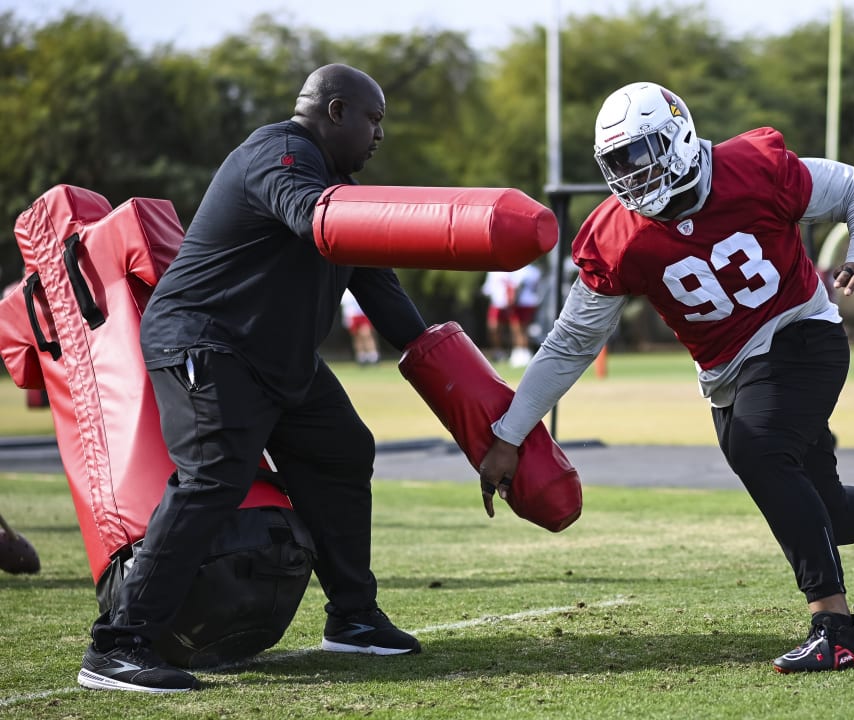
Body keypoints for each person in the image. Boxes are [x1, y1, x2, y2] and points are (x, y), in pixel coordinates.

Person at [478, 82, 854, 673]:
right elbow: (571, 343)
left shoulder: (753, 168)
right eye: (619, 163)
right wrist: (509, 434)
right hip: (729, 373)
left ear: (679, 136)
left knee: (757, 450)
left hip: (801, 333)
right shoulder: (617, 234)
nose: (632, 175)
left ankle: (838, 629)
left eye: (641, 154)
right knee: (827, 513)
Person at [78, 64, 428, 694]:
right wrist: (409, 217)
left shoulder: (343, 192)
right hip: (207, 341)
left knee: (344, 450)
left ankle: (353, 617)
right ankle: (117, 646)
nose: (380, 134)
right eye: (374, 119)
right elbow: (306, 215)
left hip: (279, 358)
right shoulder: (280, 151)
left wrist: (464, 392)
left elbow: (388, 300)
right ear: (336, 111)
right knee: (213, 476)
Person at [482, 265, 542, 367]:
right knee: (518, 330)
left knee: (519, 330)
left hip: (521, 303)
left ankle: (522, 353)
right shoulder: (533, 271)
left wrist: (512, 300)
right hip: (519, 302)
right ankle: (519, 353)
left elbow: (516, 287)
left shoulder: (524, 271)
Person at [342, 289, 381, 365]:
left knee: (366, 334)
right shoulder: (346, 291)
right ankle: (361, 357)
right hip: (351, 314)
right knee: (356, 337)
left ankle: (373, 356)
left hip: (362, 313)